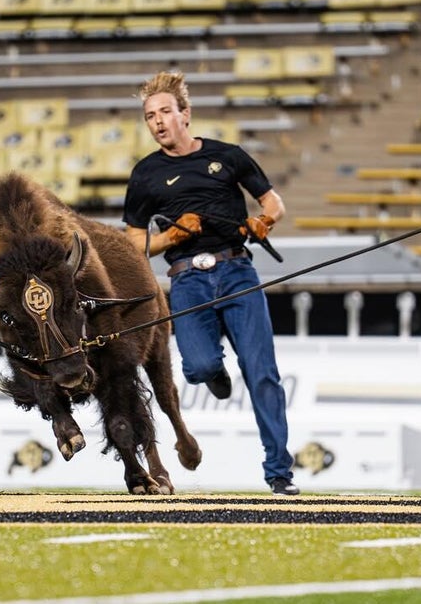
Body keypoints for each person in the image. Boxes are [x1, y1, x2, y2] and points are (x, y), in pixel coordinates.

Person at [122, 70, 299, 495]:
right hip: (186, 281)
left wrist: (263, 221)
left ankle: (279, 473)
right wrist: (171, 237)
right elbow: (133, 244)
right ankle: (214, 373)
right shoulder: (145, 175)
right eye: (150, 116)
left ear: (185, 114)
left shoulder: (228, 156)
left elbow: (273, 202)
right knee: (198, 367)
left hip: (237, 271)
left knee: (262, 374)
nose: (159, 121)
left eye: (165, 111)